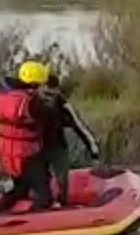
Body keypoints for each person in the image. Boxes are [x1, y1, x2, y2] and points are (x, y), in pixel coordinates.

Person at [0, 60, 60, 213]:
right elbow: (52, 125)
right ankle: (36, 224)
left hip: (7, 156)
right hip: (28, 156)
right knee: (44, 196)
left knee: (19, 189)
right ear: (37, 83)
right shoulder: (33, 103)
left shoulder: (0, 98)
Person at [39, 73, 101, 207]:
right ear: (57, 85)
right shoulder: (60, 100)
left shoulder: (33, 98)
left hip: (34, 146)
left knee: (40, 180)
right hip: (56, 144)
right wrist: (93, 149)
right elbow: (78, 126)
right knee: (61, 178)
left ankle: (41, 206)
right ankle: (62, 206)